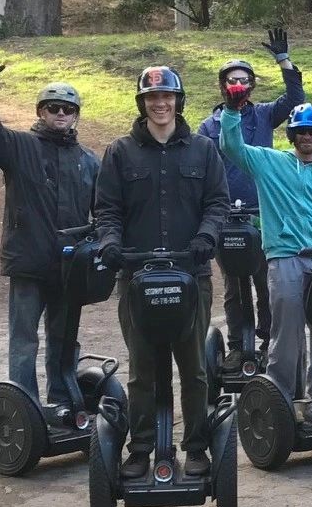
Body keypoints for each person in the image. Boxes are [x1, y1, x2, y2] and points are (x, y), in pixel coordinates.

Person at [94, 66, 231, 478]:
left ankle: (195, 447)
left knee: (194, 368)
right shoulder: (120, 152)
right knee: (143, 370)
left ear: (178, 101)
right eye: (152, 98)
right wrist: (110, 243)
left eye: (167, 97)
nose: (160, 104)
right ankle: (140, 448)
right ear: (142, 103)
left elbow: (218, 203)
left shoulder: (203, 150)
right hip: (137, 279)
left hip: (192, 276)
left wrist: (207, 235)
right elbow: (107, 210)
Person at [0, 53, 99, 408]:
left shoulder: (89, 160)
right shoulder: (19, 146)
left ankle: (63, 401)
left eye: (67, 109)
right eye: (53, 107)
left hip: (71, 267)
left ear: (75, 116)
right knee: (24, 340)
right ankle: (26, 409)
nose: (60, 113)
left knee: (64, 338)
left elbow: (105, 212)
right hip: (28, 263)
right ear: (41, 111)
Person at [217, 99, 312, 420]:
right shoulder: (270, 163)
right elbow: (233, 147)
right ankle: (281, 399)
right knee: (287, 330)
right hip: (284, 259)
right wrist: (232, 111)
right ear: (292, 135)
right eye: (302, 132)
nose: (308, 137)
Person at [196, 30, 305, 370]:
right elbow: (202, 169)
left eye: (244, 80)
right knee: (233, 284)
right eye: (232, 80)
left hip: (263, 212)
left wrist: (284, 61)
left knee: (265, 278)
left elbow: (295, 98)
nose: (238, 85)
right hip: (226, 215)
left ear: (252, 85)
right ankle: (236, 347)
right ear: (223, 86)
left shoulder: (264, 115)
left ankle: (271, 340)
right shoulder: (209, 125)